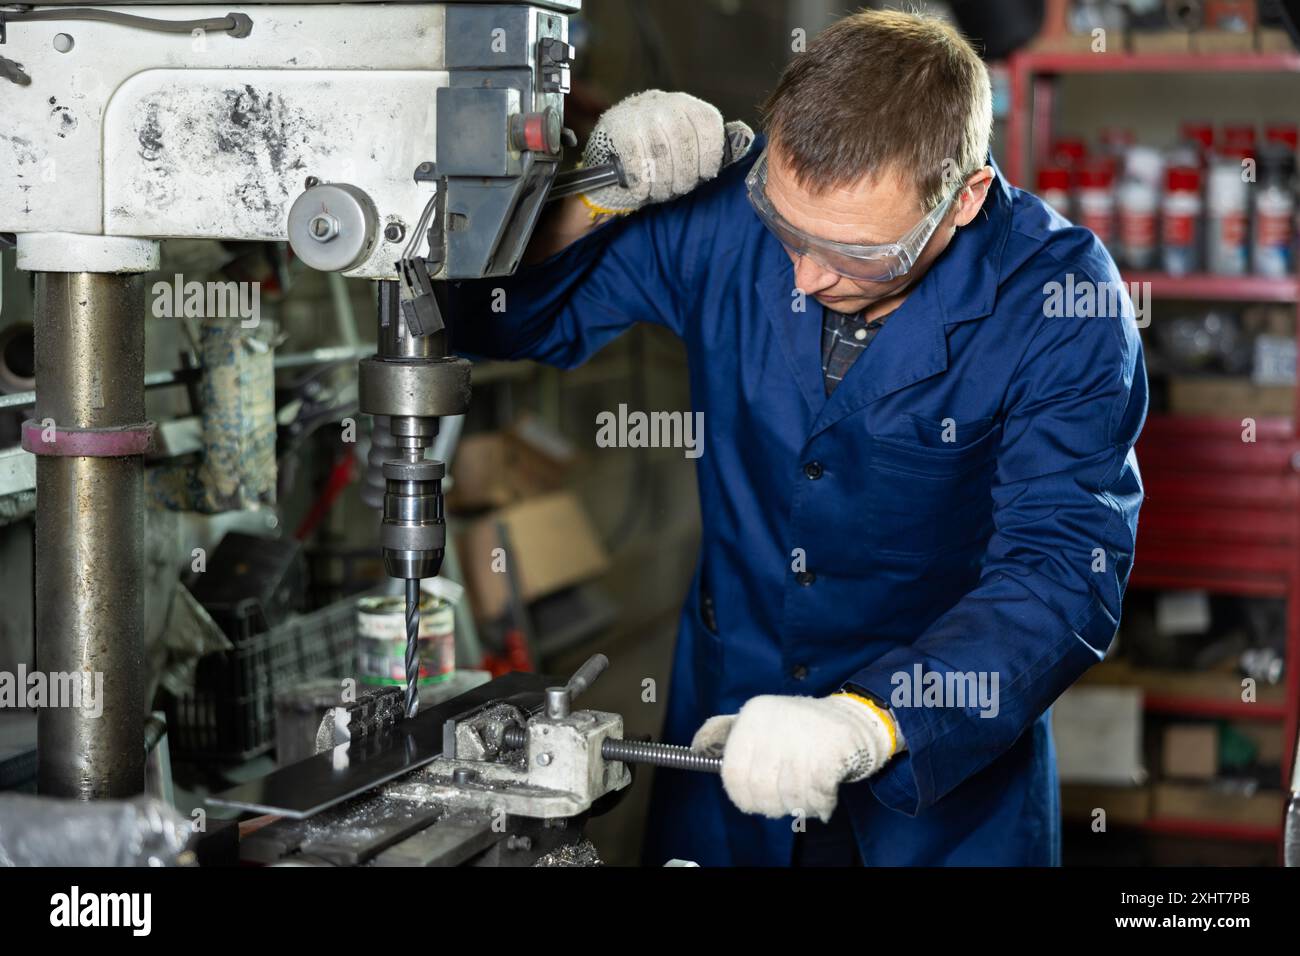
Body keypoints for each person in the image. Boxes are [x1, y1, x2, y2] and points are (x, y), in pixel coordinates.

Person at [449, 9, 1146, 866]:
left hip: (944, 771)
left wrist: (871, 721)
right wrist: (588, 193)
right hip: (729, 724)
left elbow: (1063, 572)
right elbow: (492, 324)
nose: (809, 275)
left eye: (859, 256)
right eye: (788, 232)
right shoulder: (730, 215)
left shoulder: (1060, 301)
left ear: (961, 199)